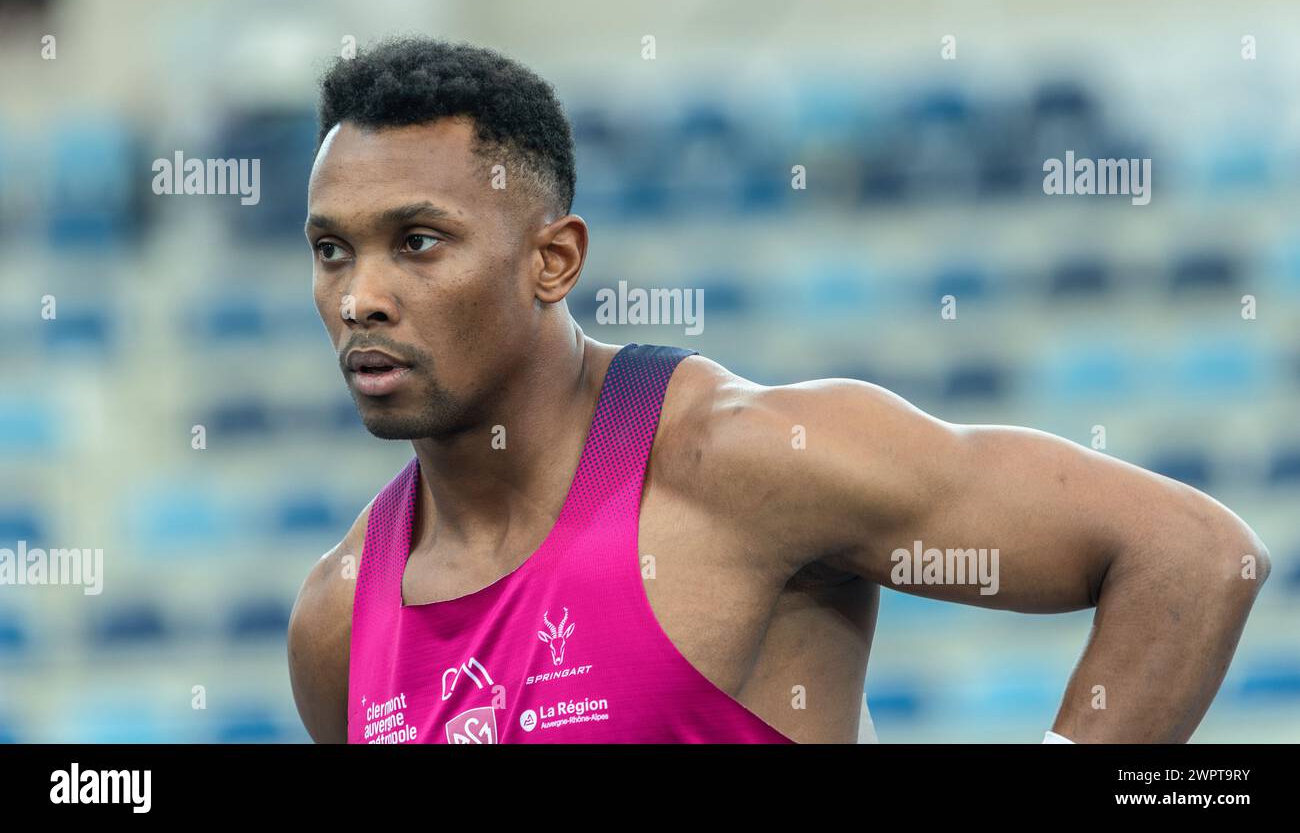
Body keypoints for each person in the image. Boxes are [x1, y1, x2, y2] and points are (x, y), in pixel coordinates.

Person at [287, 37, 1270, 744]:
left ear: (552, 260)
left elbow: (1189, 552)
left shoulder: (739, 461)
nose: (360, 296)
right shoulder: (337, 617)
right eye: (332, 251)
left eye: (418, 242)